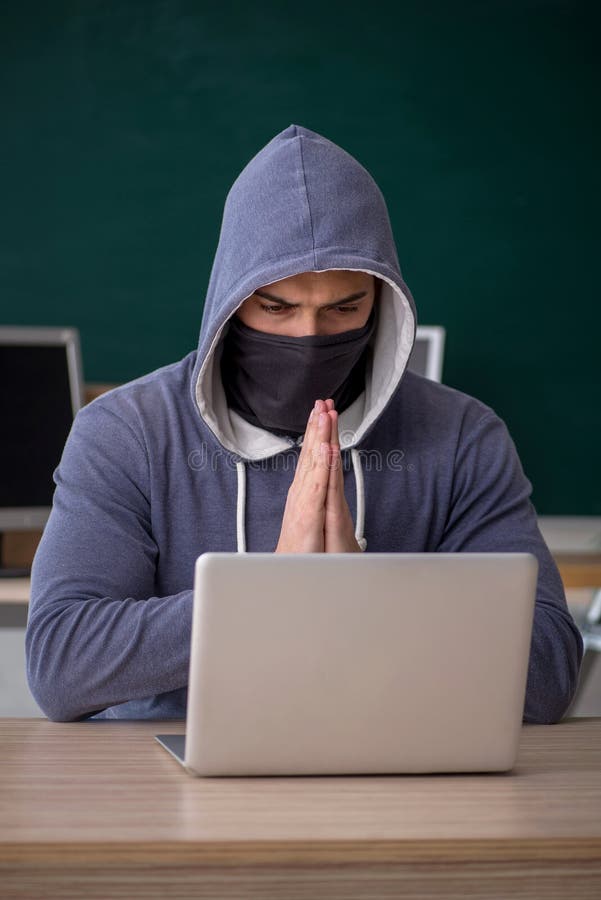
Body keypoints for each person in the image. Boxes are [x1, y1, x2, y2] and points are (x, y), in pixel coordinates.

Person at [25, 124, 582, 723]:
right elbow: (61, 664)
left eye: (344, 308)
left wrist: (361, 597)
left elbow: (548, 671)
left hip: (396, 785)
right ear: (230, 303)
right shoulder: (127, 432)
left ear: (382, 301)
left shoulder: (462, 437)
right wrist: (268, 594)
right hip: (175, 794)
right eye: (276, 307)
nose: (309, 337)